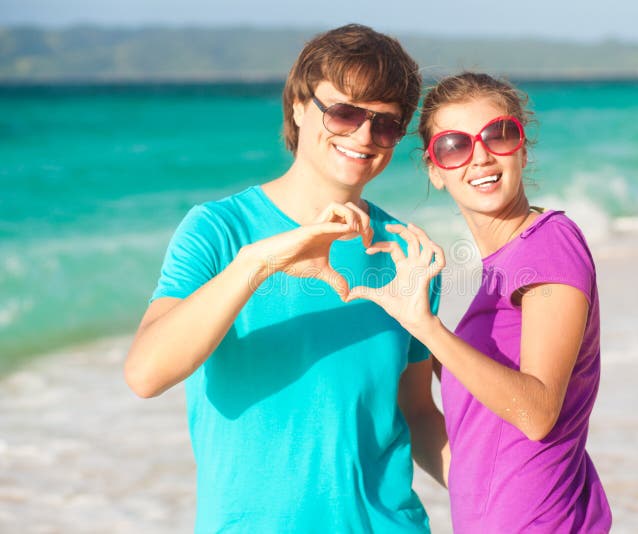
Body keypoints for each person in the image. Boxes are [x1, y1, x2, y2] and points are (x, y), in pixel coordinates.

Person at [124, 24, 448, 533]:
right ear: (298, 106)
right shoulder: (219, 231)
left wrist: (512, 495)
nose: (363, 136)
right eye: (344, 112)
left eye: (384, 124)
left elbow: (419, 413)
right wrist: (257, 264)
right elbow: (146, 374)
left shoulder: (406, 253)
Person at [346, 73, 612, 532]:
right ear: (435, 169)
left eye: (498, 134)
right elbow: (471, 424)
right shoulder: (498, 272)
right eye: (455, 145)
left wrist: (427, 328)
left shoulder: (548, 244)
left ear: (522, 147)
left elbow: (537, 411)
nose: (481, 155)